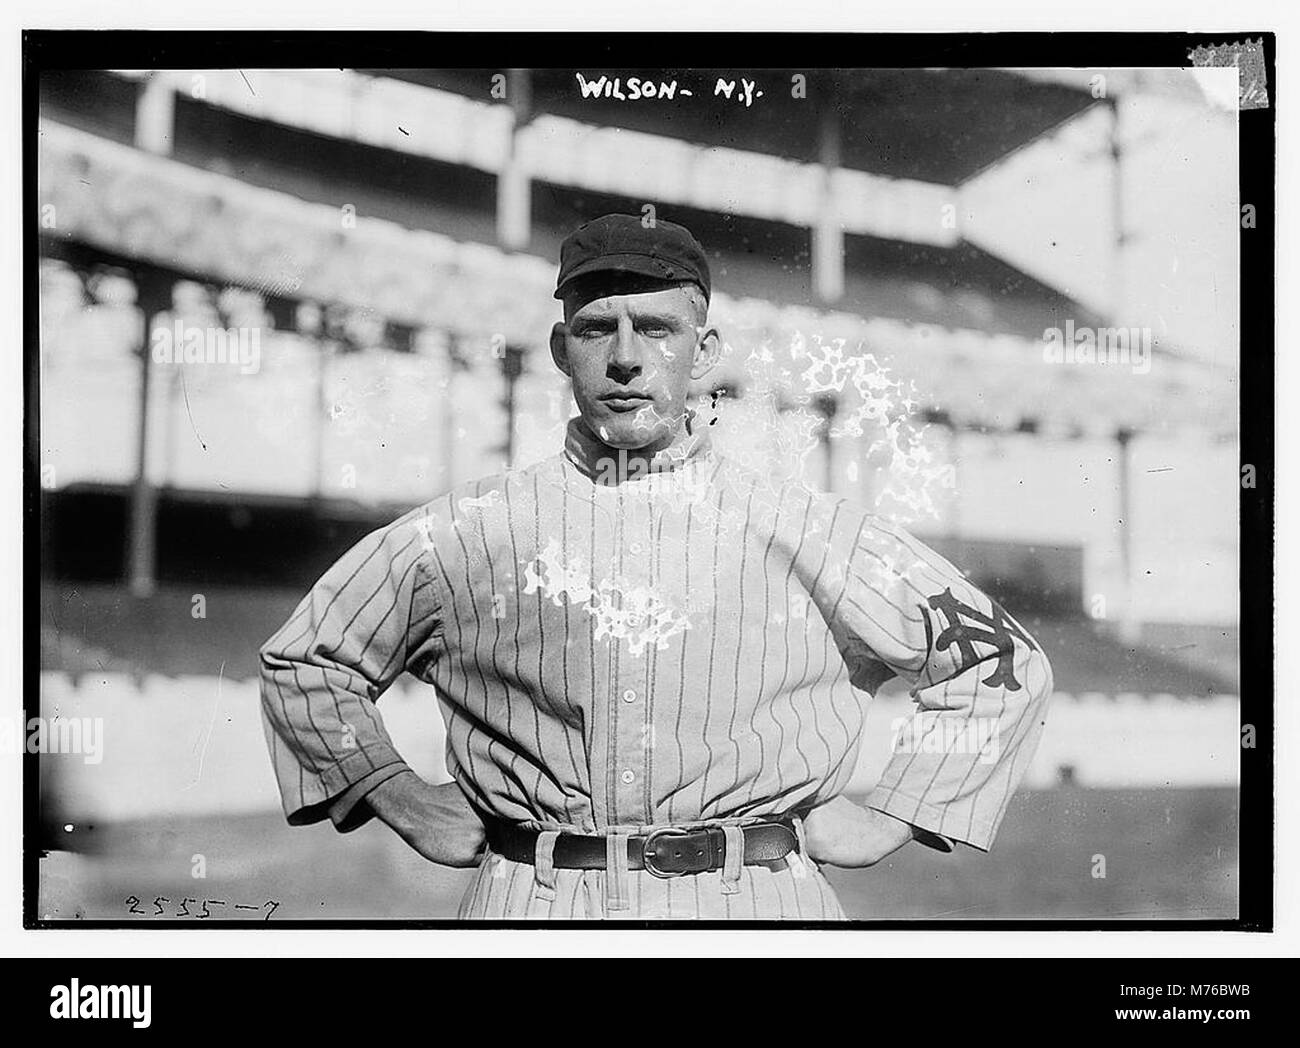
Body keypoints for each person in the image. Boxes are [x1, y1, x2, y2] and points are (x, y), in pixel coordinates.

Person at [259, 213, 1053, 919]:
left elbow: (998, 659)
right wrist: (396, 796)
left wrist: (895, 812)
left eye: (658, 329)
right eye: (599, 329)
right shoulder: (466, 532)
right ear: (562, 350)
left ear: (704, 351)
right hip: (533, 898)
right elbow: (306, 659)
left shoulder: (810, 527)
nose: (627, 359)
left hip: (752, 900)